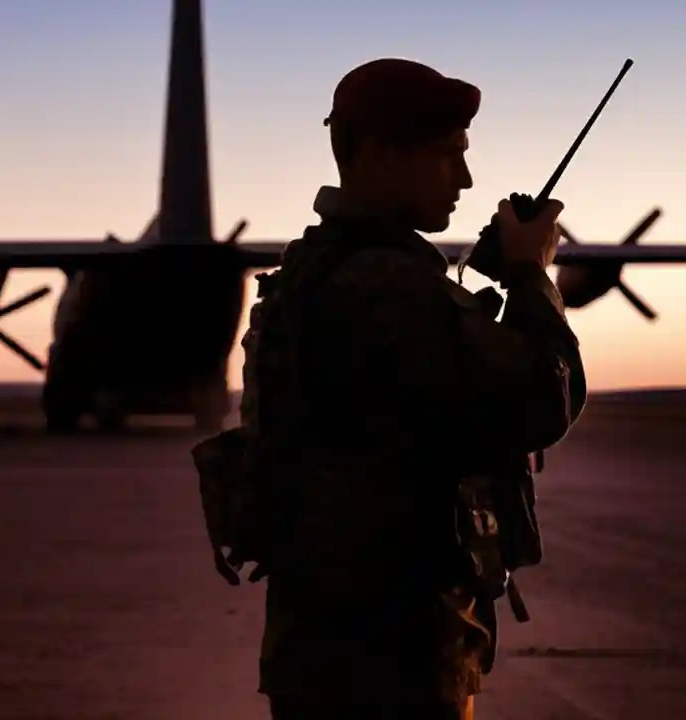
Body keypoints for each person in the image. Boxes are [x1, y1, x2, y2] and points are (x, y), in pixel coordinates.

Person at [237, 58, 588, 719]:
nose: (465, 179)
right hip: (393, 654)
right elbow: (544, 401)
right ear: (377, 154)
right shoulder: (388, 287)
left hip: (321, 642)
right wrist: (534, 280)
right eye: (445, 156)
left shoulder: (314, 272)